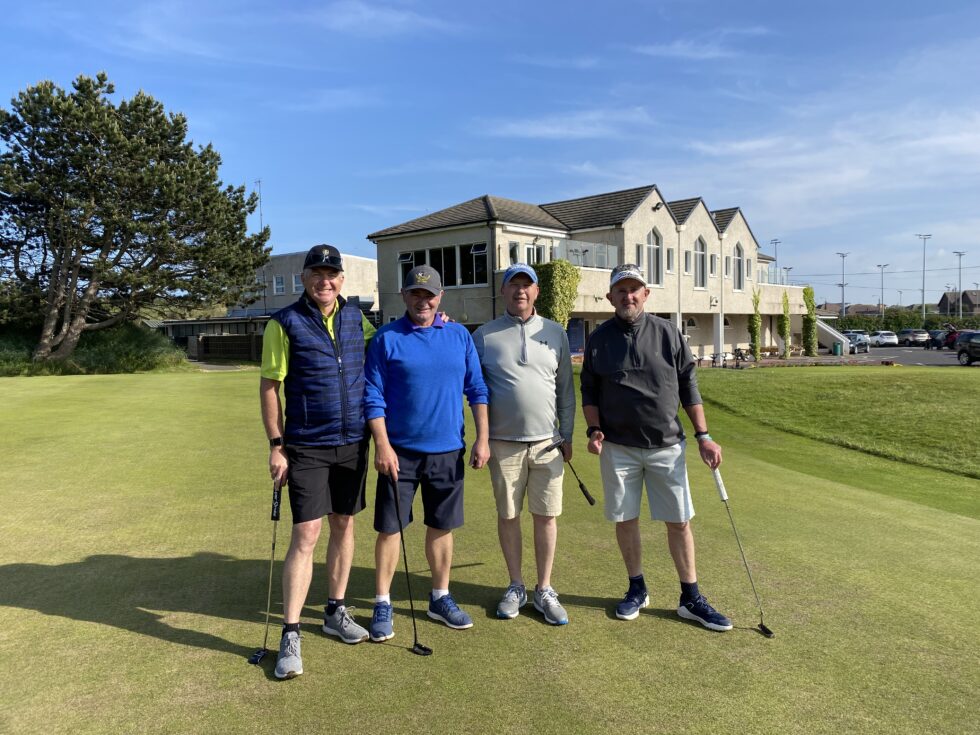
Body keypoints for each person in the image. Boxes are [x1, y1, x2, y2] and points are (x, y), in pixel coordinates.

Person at [580, 263, 732, 632]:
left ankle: (690, 597)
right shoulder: (599, 339)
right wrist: (594, 429)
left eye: (635, 289)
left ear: (646, 294)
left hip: (667, 446)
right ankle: (637, 588)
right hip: (618, 447)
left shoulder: (668, 334)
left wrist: (704, 435)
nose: (628, 296)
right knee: (625, 518)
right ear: (610, 297)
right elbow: (590, 391)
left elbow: (688, 387)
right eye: (621, 290)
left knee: (678, 521)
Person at [260, 244, 377, 679]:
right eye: (317, 273)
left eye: (332, 273)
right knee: (307, 533)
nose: (324, 280)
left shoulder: (355, 317)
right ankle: (290, 632)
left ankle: (335, 610)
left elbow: (384, 348)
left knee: (344, 523)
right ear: (305, 277)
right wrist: (276, 443)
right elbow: (271, 387)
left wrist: (437, 322)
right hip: (306, 444)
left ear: (342, 280)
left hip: (352, 442)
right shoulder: (284, 323)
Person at [363, 265, 490, 641]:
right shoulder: (386, 339)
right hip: (398, 453)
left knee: (441, 526)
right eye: (416, 294)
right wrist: (382, 446)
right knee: (390, 529)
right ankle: (383, 602)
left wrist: (483, 439)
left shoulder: (458, 336)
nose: (424, 300)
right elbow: (373, 397)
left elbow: (477, 389)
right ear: (404, 296)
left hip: (447, 451)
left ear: (441, 296)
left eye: (430, 294)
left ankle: (440, 597)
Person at [473, 264, 575, 625]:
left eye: (526, 285)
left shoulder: (556, 333)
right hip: (503, 445)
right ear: (503, 292)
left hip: (548, 443)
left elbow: (565, 389)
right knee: (509, 515)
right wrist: (481, 438)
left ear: (536, 292)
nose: (520, 291)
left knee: (546, 516)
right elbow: (476, 392)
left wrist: (569, 434)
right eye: (513, 285)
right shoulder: (484, 335)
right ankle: (515, 585)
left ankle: (544, 588)